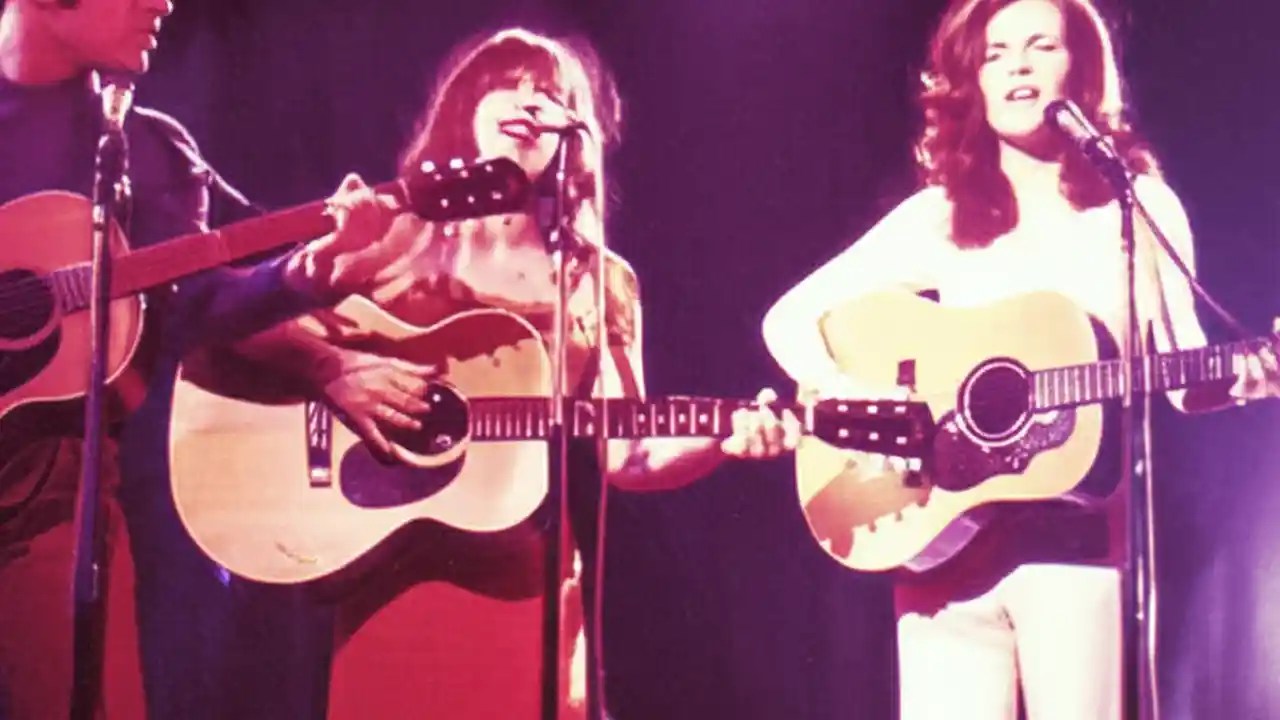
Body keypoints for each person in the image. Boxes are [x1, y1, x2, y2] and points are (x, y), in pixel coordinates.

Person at [220, 27, 800, 719]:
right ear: (464, 106)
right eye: (509, 83)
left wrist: (725, 437)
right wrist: (337, 368)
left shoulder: (599, 278)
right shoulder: (392, 234)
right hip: (389, 571)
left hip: (527, 579)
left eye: (552, 94)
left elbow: (629, 449)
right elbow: (231, 323)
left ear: (575, 134)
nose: (530, 102)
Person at [761, 0, 1279, 718]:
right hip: (941, 544)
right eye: (996, 52)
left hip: (1078, 548)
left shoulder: (1136, 207)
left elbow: (1185, 375)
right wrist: (857, 395)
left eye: (1042, 46)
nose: (1018, 66)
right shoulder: (940, 213)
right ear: (971, 78)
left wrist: (1246, 380)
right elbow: (787, 321)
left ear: (1083, 68)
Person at [0, 1, 420, 717]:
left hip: (46, 515)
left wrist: (313, 273)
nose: (162, 2)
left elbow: (197, 302)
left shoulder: (147, 153)